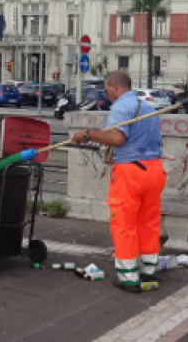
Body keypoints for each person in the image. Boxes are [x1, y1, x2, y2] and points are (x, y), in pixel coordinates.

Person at [71, 71, 166, 293]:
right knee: (148, 223)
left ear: (114, 86)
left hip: (131, 172)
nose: (107, 95)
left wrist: (88, 134)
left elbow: (117, 138)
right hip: (154, 170)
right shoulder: (148, 107)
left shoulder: (121, 107)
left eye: (106, 90)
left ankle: (128, 277)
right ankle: (148, 270)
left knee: (124, 224)